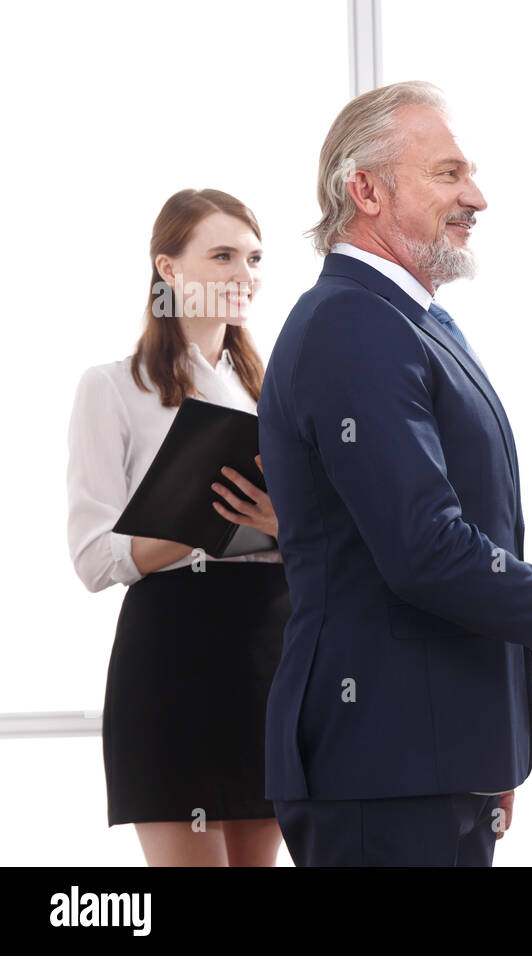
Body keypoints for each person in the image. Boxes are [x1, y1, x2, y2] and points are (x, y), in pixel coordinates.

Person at [257, 81, 532, 867]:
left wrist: (480, 743)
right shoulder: (351, 325)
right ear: (364, 189)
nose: (477, 197)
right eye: (448, 174)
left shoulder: (416, 322)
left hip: (434, 760)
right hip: (381, 766)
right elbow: (429, 552)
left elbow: (477, 538)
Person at [66, 188, 288, 866]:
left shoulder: (277, 394)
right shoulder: (113, 387)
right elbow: (93, 558)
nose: (243, 276)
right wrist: (198, 523)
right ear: (168, 269)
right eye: (222, 256)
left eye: (253, 259)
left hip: (269, 648)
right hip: (174, 650)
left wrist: (285, 525)